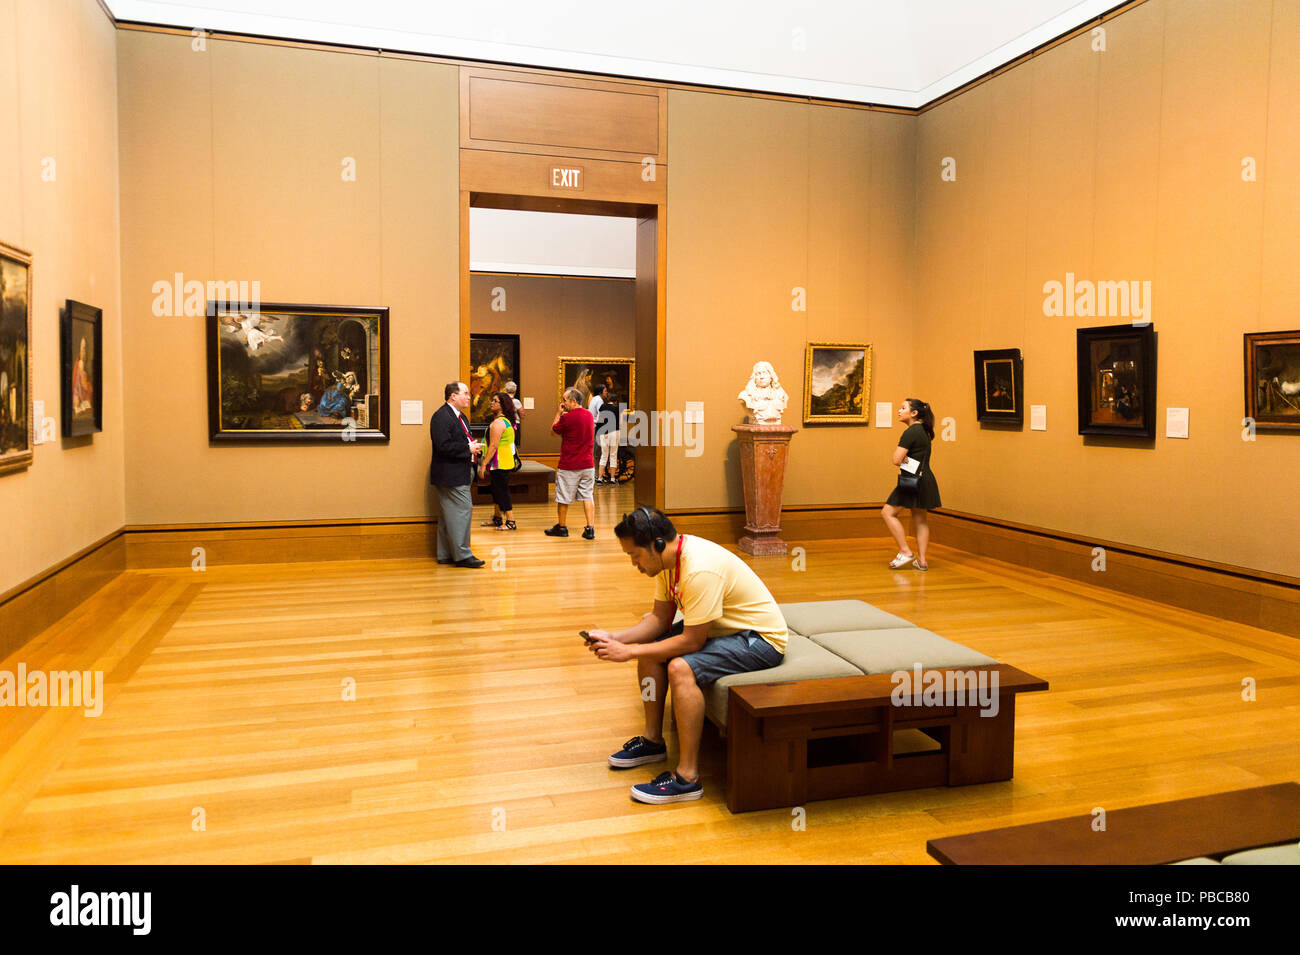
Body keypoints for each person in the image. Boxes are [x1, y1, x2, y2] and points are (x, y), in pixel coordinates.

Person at [586, 507, 787, 804]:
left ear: (656, 545)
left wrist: (629, 651)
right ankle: (653, 742)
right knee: (650, 649)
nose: (634, 563)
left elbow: (692, 642)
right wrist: (615, 638)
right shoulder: (668, 562)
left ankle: (688, 779)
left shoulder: (699, 569)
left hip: (759, 639)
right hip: (724, 628)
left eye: (635, 555)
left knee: (680, 667)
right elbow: (658, 620)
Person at [429, 381, 485, 568]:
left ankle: (445, 554)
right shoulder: (441, 416)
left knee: (449, 515)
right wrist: (468, 448)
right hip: (450, 474)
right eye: (465, 393)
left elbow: (460, 441)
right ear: (453, 396)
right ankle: (463, 555)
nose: (469, 397)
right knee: (462, 511)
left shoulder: (461, 417)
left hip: (459, 472)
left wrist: (472, 447)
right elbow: (443, 446)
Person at [881, 398, 941, 571]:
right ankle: (922, 561)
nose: (899, 411)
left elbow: (896, 459)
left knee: (887, 513)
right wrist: (905, 459)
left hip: (911, 481)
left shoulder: (911, 432)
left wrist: (903, 459)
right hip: (925, 479)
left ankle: (905, 551)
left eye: (903, 408)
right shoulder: (923, 430)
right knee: (920, 520)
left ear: (914, 413)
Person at [546, 387, 596, 540]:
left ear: (574, 401)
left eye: (565, 400)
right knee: (588, 496)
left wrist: (558, 413)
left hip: (570, 464)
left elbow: (553, 432)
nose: (563, 403)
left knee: (563, 497)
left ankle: (562, 528)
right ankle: (590, 528)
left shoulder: (567, 418)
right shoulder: (589, 415)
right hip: (588, 464)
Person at [477, 392, 517, 531]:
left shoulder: (499, 422)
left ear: (502, 405)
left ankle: (510, 521)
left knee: (502, 491)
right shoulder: (503, 420)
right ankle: (497, 517)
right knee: (496, 489)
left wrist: (483, 464)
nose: (491, 403)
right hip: (500, 461)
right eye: (492, 400)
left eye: (495, 401)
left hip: (500, 462)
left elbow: (493, 446)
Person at [596, 387, 621, 484]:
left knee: (604, 455)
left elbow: (599, 420)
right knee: (613, 455)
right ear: (615, 401)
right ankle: (612, 479)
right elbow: (620, 422)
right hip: (614, 432)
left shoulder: (602, 407)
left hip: (604, 432)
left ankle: (600, 478)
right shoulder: (617, 408)